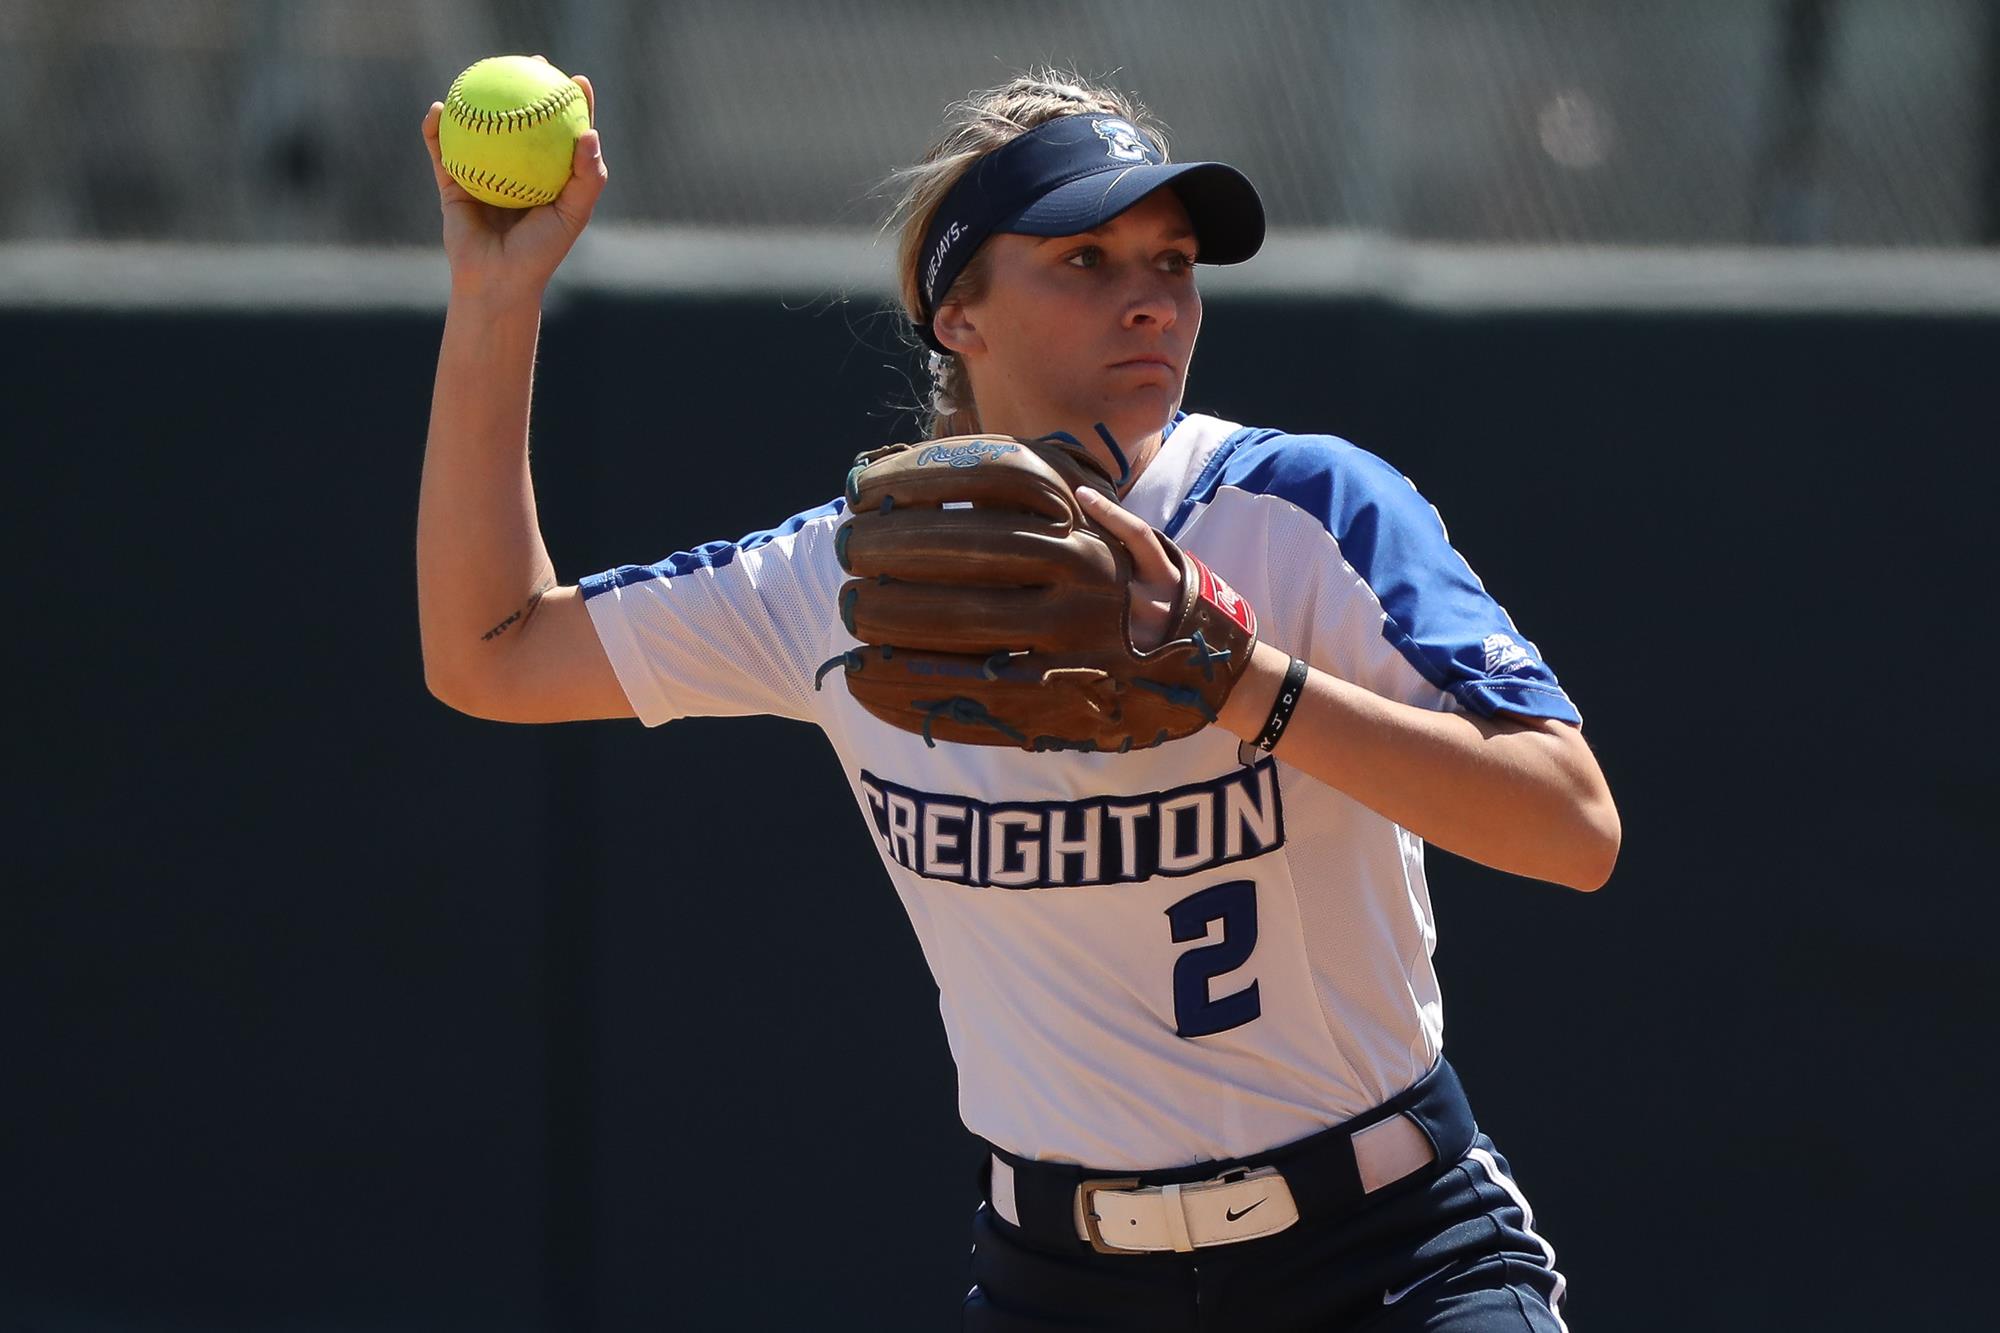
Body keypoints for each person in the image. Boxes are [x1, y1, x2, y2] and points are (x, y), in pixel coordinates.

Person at [418, 65, 1619, 1333]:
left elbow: (1571, 825)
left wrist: (1237, 678)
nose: (1150, 298)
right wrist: (494, 301)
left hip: (1385, 1258)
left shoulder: (1298, 508)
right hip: (1063, 1282)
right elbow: (489, 650)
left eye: (1171, 259)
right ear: (959, 315)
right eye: (1085, 260)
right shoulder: (847, 575)